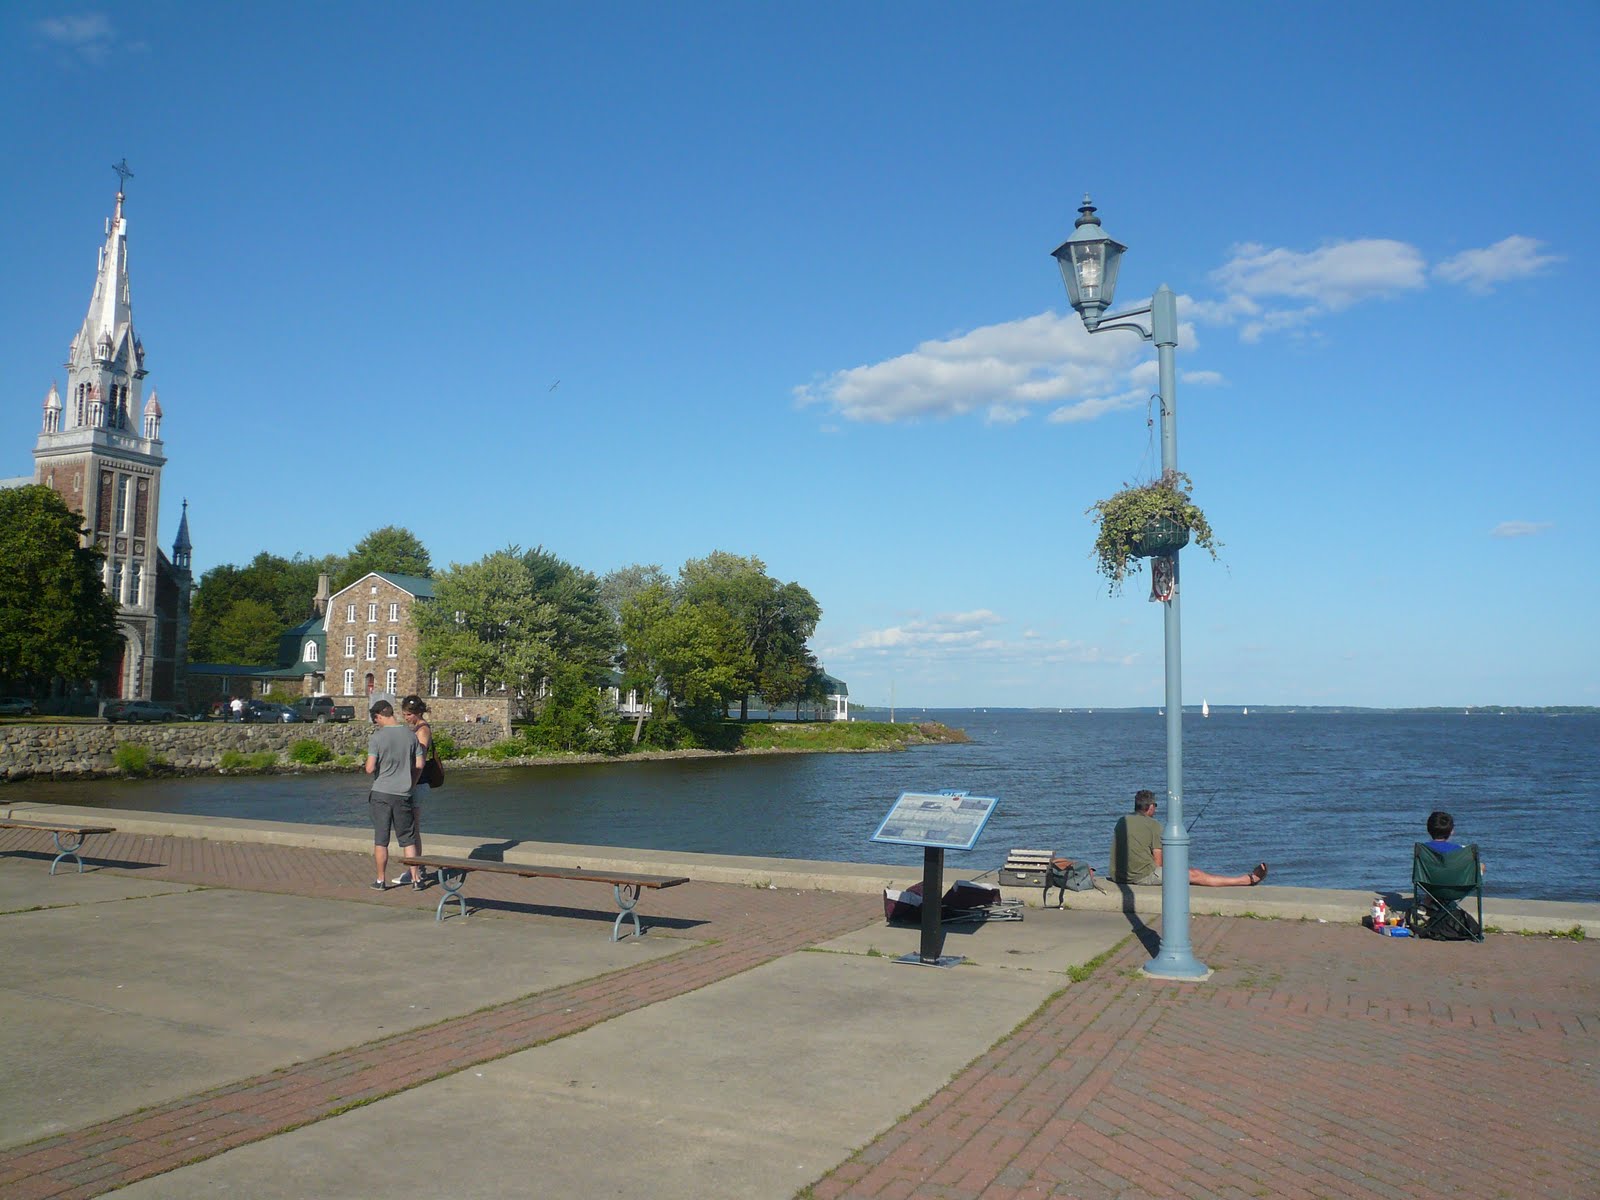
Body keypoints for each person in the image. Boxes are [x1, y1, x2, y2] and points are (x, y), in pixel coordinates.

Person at [1109, 789, 1267, 887]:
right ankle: (1246, 880)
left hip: (1119, 876)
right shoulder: (1154, 825)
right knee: (1194, 874)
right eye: (1155, 806)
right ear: (1150, 807)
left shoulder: (1122, 821)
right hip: (1139, 877)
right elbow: (1158, 864)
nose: (1155, 809)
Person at [364, 698, 426, 891]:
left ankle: (381, 880)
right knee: (408, 839)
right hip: (403, 793)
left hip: (381, 793)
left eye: (375, 719)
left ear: (379, 716)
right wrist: (410, 781)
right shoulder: (410, 736)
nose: (376, 722)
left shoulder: (377, 738)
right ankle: (416, 879)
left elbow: (369, 768)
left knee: (381, 839)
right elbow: (419, 764)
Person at [396, 695, 434, 887]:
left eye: (409, 714)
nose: (406, 718)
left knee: (412, 827)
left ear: (418, 713)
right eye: (404, 714)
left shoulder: (422, 731)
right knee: (413, 828)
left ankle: (416, 868)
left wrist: (410, 785)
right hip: (416, 782)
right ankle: (416, 867)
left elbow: (420, 762)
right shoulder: (417, 728)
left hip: (417, 783)